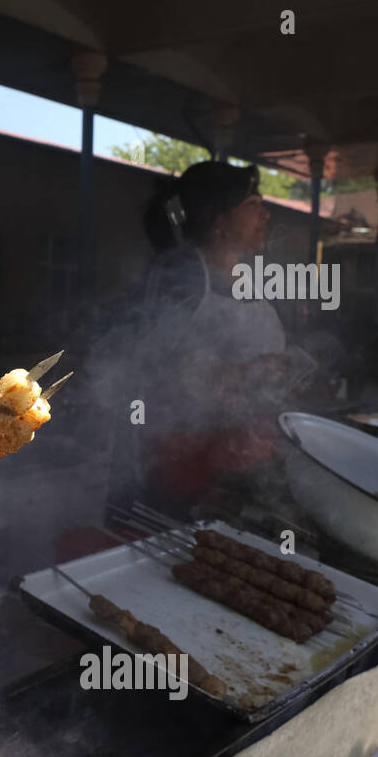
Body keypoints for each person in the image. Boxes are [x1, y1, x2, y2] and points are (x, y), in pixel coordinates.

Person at [106, 161, 313, 517]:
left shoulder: (250, 282)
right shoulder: (180, 279)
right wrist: (252, 373)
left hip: (241, 457)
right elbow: (160, 373)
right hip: (180, 462)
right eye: (252, 205)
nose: (265, 215)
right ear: (219, 223)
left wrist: (283, 381)